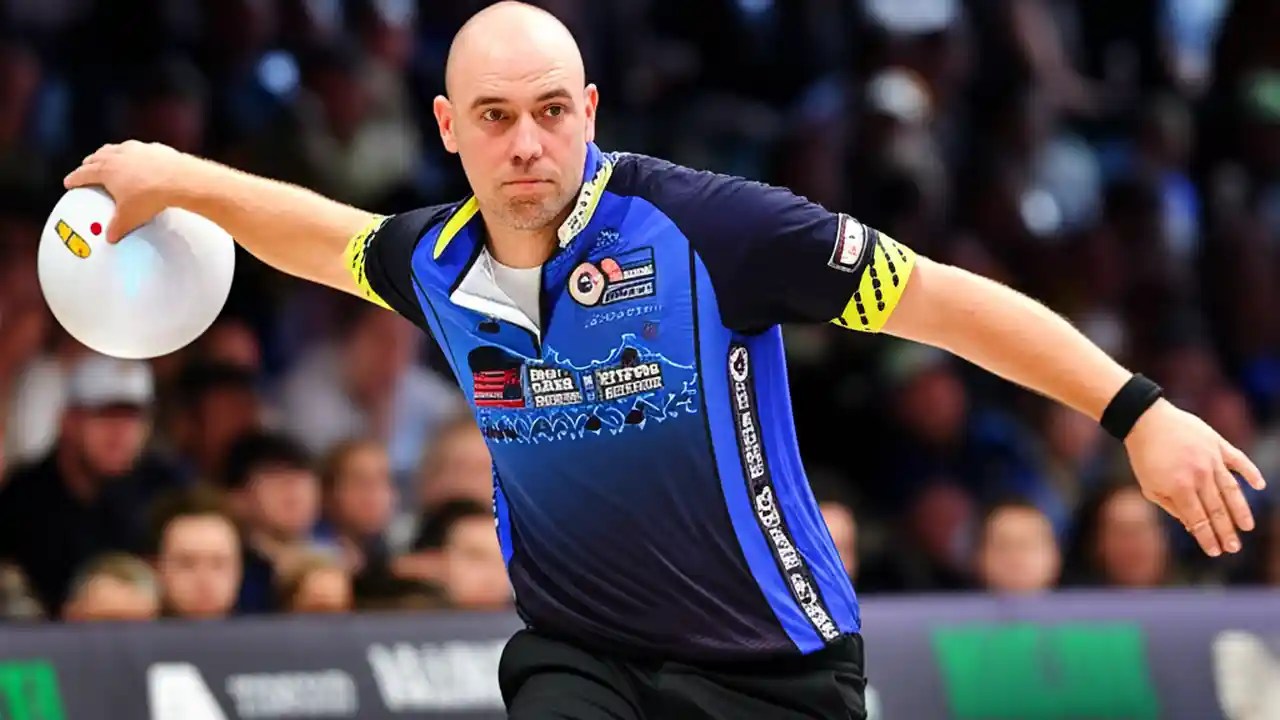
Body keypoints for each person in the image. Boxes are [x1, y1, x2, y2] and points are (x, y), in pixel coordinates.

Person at [65, 2, 1266, 717]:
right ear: (445, 128)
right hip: (582, 657)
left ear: (590, 107)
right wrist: (172, 177)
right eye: (493, 117)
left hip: (769, 671)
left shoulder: (714, 230)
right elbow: (311, 235)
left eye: (550, 110)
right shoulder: (431, 261)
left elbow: (946, 305)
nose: (526, 142)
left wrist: (1136, 411)